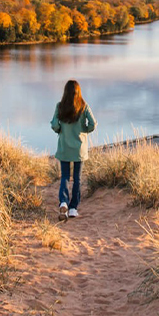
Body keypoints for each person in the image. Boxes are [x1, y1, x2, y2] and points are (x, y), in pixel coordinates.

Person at [51, 79, 96, 218]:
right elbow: (93, 124)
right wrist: (84, 130)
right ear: (78, 92)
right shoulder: (83, 106)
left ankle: (63, 202)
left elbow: (54, 124)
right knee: (77, 179)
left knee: (64, 176)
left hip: (64, 147)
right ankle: (73, 208)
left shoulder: (60, 106)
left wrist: (60, 130)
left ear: (65, 92)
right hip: (79, 149)